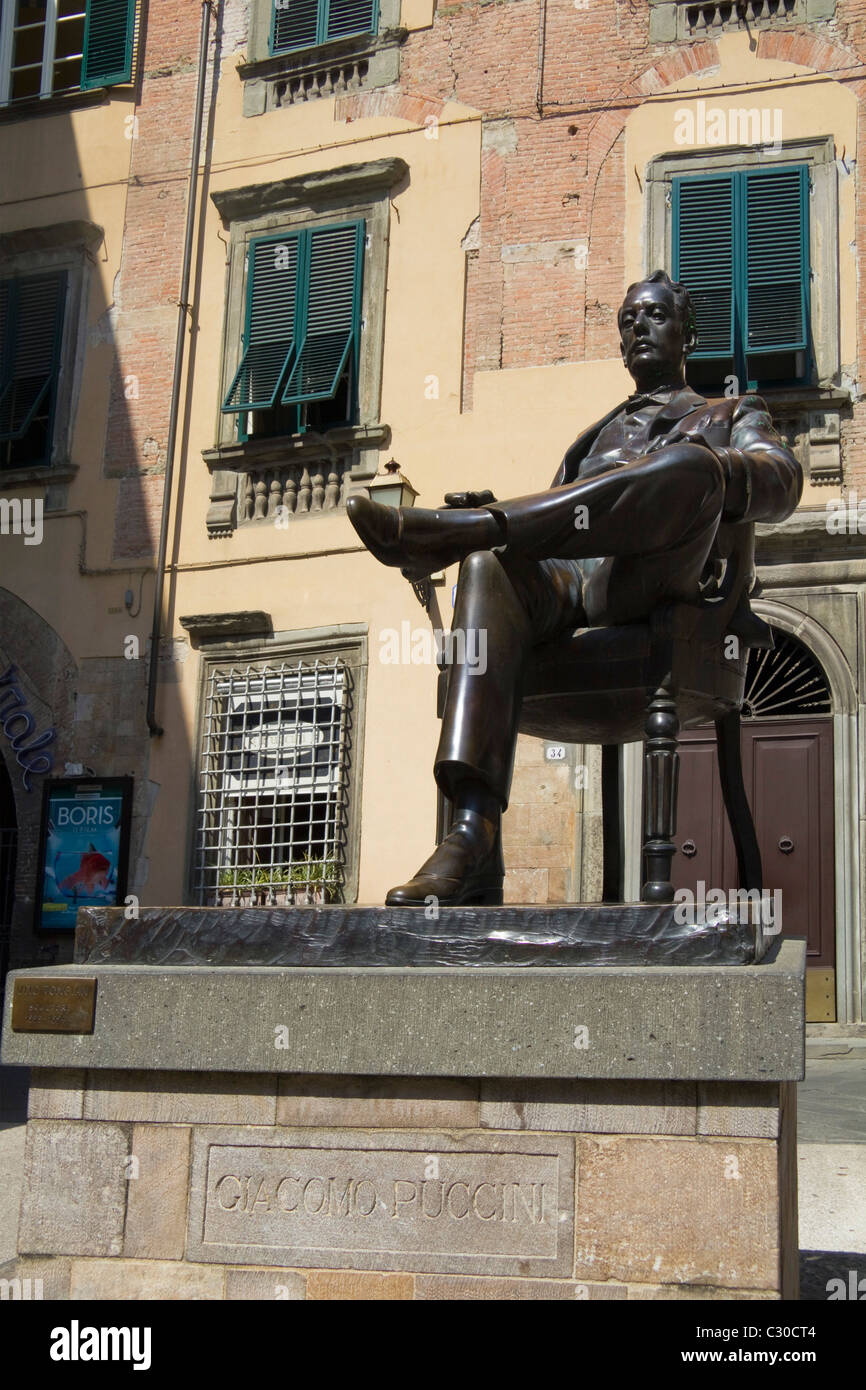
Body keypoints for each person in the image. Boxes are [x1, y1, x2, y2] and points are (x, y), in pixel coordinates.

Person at [347, 270, 802, 906]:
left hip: (654, 582)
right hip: (574, 588)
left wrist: (716, 470)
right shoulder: (589, 439)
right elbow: (559, 527)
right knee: (486, 567)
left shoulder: (726, 413)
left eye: (654, 315)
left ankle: (460, 530)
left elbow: (783, 479)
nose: (637, 326)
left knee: (688, 465)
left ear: (687, 333)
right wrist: (506, 535)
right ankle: (473, 832)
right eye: (626, 320)